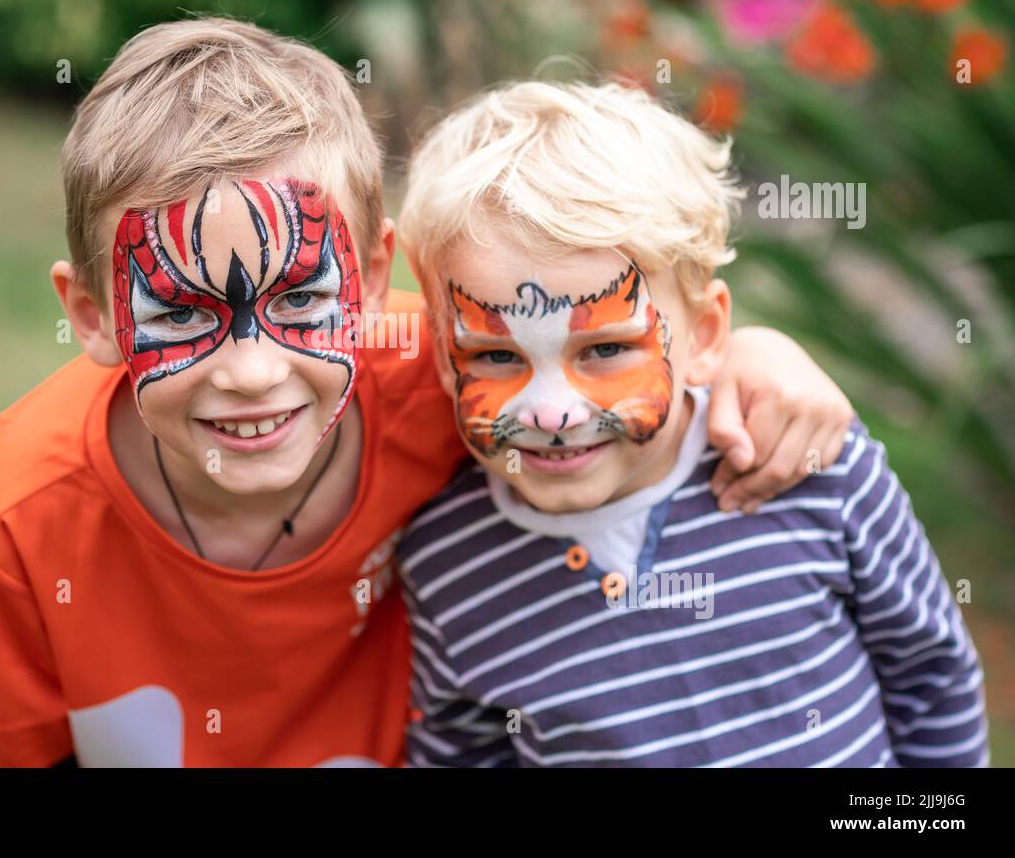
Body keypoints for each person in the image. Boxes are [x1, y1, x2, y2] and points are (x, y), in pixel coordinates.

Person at [0, 19, 855, 766]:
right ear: (91, 314)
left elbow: (598, 354)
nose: (251, 370)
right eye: (178, 313)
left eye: (301, 298)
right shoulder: (28, 502)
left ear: (375, 279)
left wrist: (756, 355)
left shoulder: (454, 373)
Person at [396, 80, 988, 767]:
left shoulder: (813, 468)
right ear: (443, 357)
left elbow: (931, 678)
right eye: (496, 356)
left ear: (706, 334)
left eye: (606, 348)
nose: (552, 411)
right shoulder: (446, 563)